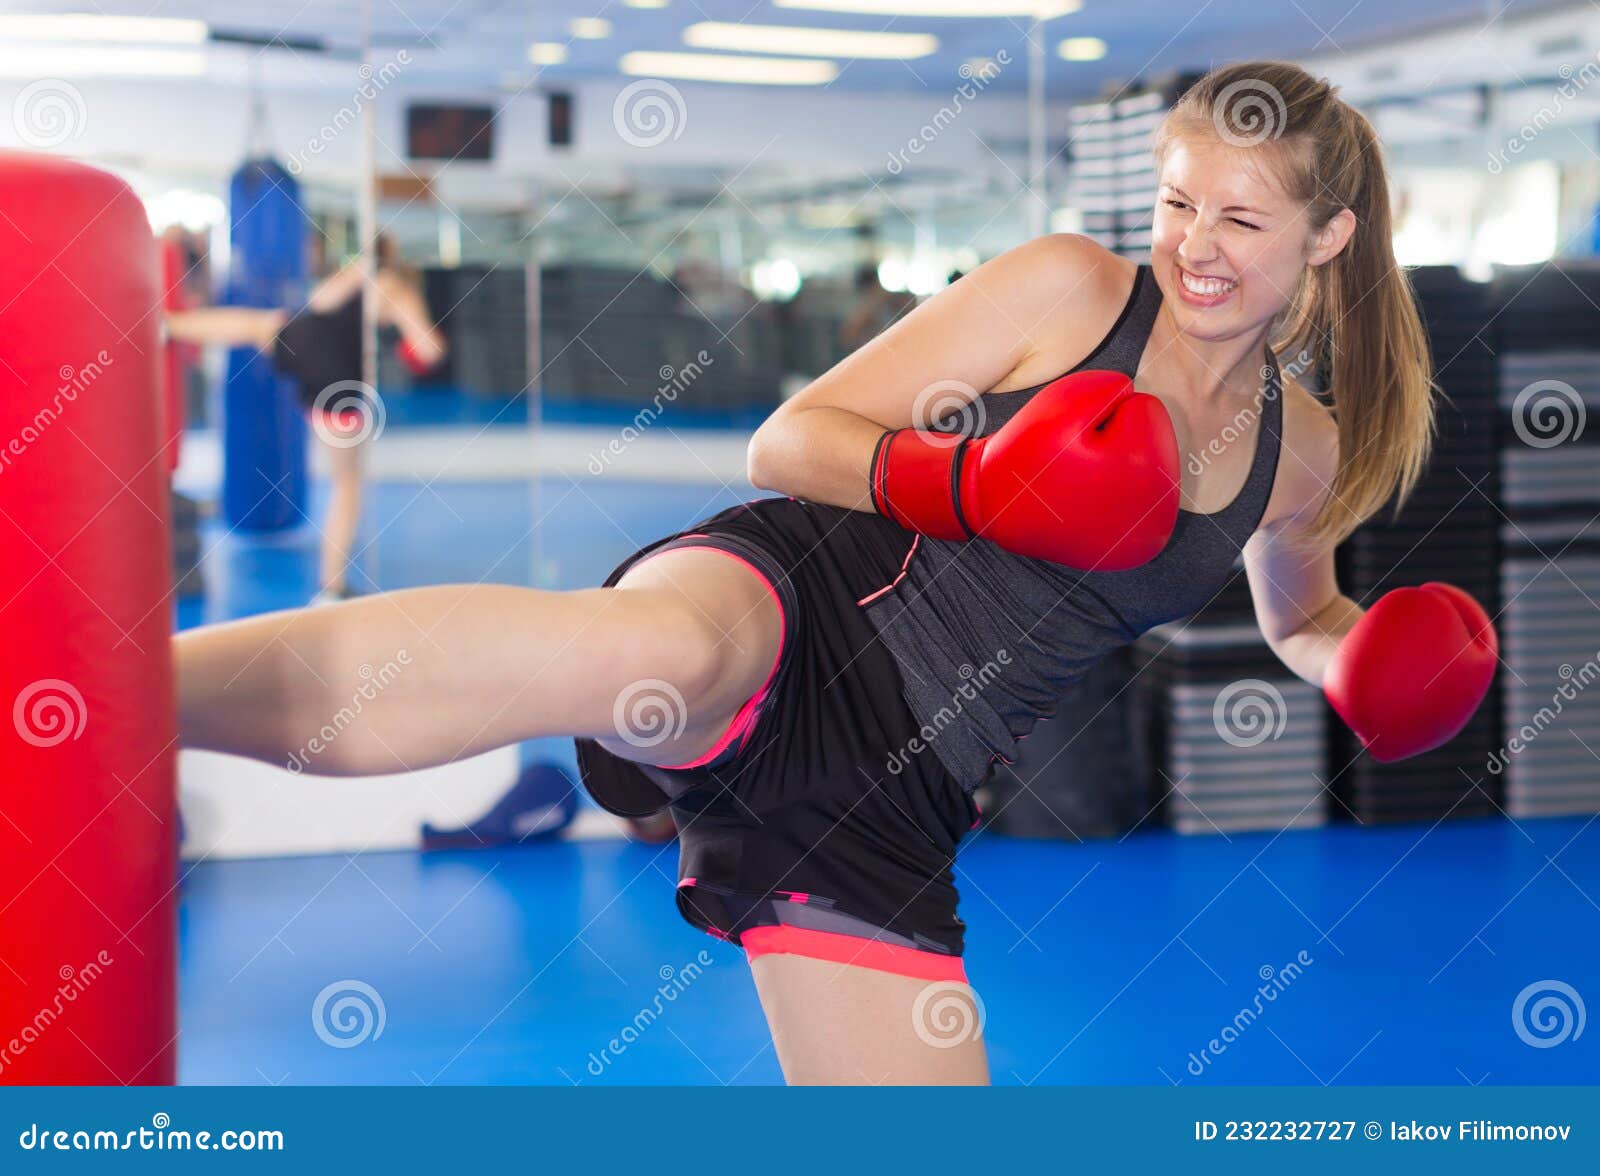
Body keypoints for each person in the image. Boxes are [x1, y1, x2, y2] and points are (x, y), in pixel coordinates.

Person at [172, 61, 1496, 1084]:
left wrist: (1361, 661)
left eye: (1243, 219)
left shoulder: (1302, 456)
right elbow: (788, 438)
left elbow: (1304, 610)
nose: (1197, 244)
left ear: (1327, 238)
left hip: (895, 792)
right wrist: (979, 482)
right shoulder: (1075, 292)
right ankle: (117, 684)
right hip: (801, 600)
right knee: (658, 656)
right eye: (1178, 204)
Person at [167, 233, 447, 602]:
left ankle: (168, 325)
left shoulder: (351, 275)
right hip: (335, 386)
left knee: (256, 326)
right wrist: (408, 346)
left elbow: (318, 303)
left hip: (303, 346)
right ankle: (331, 585)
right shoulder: (394, 286)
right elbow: (429, 350)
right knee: (347, 486)